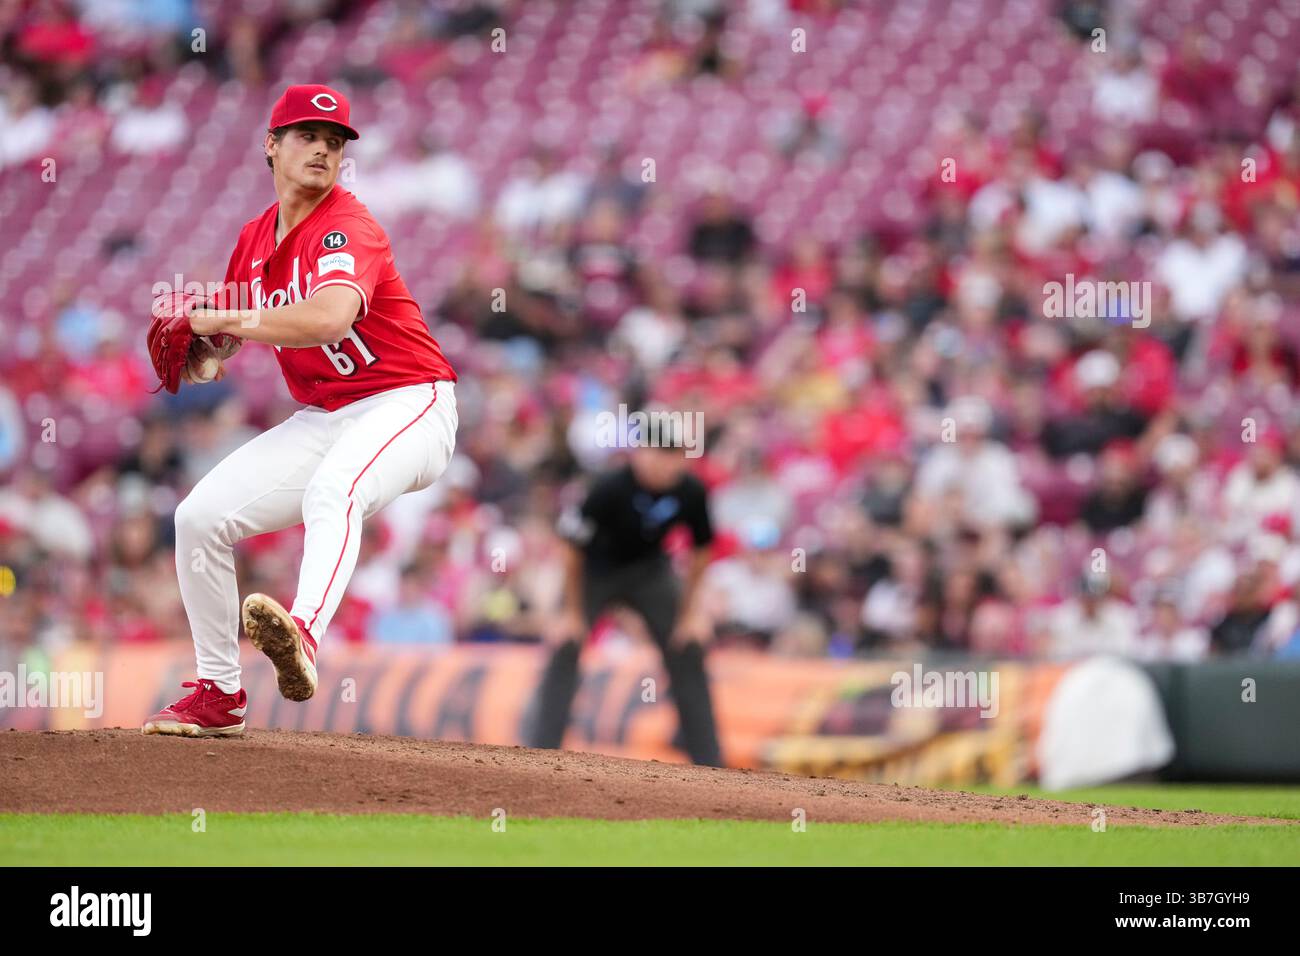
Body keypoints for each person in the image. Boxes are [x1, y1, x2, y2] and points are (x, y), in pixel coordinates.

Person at [142, 85, 459, 736]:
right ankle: (219, 695)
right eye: (307, 136)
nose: (323, 149)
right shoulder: (255, 237)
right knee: (198, 517)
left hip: (410, 401)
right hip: (328, 414)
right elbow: (228, 340)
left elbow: (328, 317)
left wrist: (225, 318)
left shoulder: (349, 224)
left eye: (335, 141)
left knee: (333, 488)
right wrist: (204, 351)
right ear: (271, 146)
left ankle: (304, 636)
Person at [529, 439, 723, 765]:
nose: (665, 463)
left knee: (688, 645)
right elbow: (571, 547)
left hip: (649, 571)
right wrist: (571, 613)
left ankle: (708, 761)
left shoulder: (691, 491)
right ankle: (539, 752)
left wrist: (690, 614)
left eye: (674, 454)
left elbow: (702, 549)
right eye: (659, 452)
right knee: (566, 644)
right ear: (639, 453)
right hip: (596, 570)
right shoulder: (608, 487)